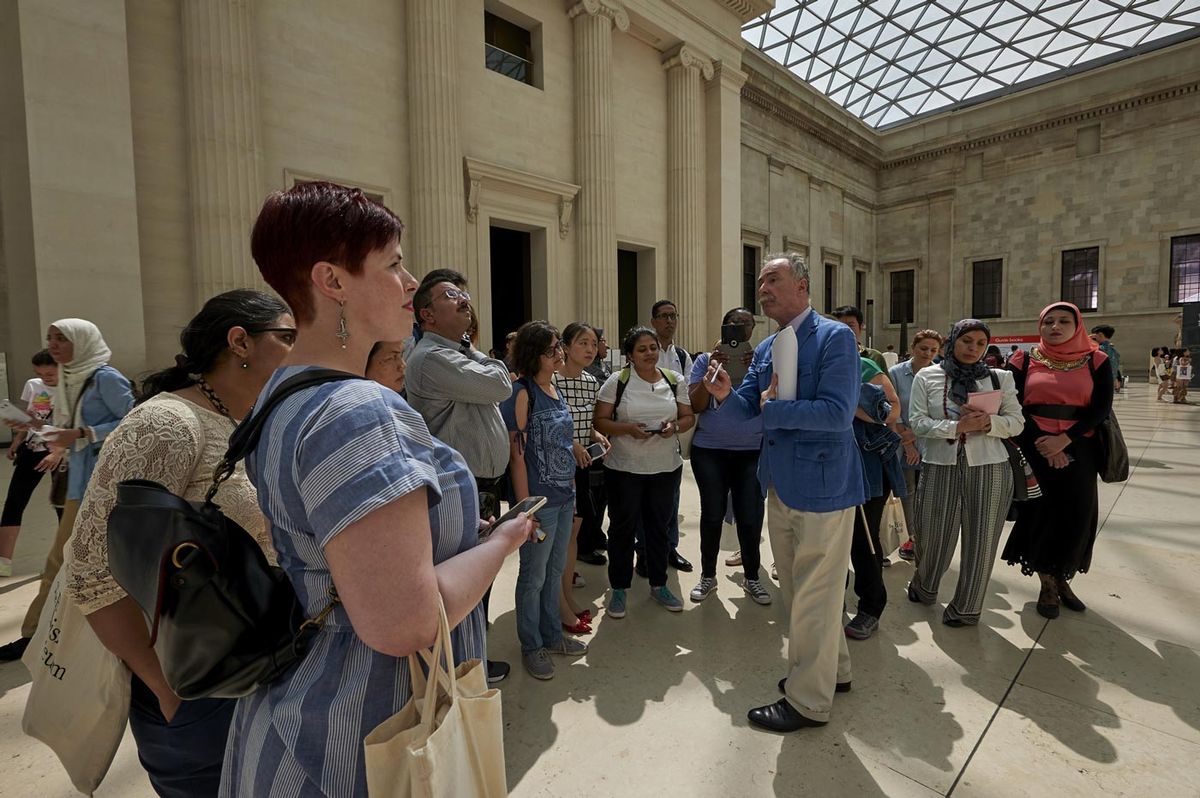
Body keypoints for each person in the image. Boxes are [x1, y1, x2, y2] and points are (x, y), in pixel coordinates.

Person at [220, 181, 534, 796]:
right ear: (332, 281)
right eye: (392, 265)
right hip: (365, 724)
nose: (409, 282)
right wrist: (504, 541)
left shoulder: (284, 391)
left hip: (303, 705)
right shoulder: (356, 410)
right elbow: (406, 624)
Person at [62, 290, 294, 796]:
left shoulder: (247, 418)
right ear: (240, 342)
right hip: (195, 687)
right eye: (287, 337)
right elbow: (91, 571)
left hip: (259, 665)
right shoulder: (165, 424)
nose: (300, 350)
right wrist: (168, 690)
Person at [703, 252, 864, 732]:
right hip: (779, 484)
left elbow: (837, 413)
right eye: (760, 282)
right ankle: (834, 671)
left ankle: (808, 701)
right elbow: (748, 409)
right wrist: (724, 394)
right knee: (802, 590)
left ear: (802, 285)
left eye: (772, 279)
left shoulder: (835, 338)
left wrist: (771, 409)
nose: (763, 289)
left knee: (815, 593)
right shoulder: (770, 346)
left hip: (824, 486)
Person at [0, 319, 134, 662]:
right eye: (50, 338)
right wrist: (30, 425)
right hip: (80, 482)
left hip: (103, 484)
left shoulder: (105, 378)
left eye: (62, 338)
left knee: (62, 561)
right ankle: (42, 634)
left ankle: (35, 635)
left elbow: (134, 421)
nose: (53, 344)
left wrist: (82, 434)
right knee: (67, 561)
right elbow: (63, 435)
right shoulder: (71, 379)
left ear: (83, 340)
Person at [405, 268, 515, 683]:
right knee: (463, 585)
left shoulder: (458, 354)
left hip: (479, 486)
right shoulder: (433, 358)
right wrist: (476, 351)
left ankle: (473, 661)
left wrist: (469, 347)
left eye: (464, 294)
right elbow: (501, 385)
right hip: (458, 491)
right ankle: (462, 672)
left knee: (478, 580)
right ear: (427, 315)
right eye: (451, 296)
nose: (464, 300)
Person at [1002, 303, 1115, 619]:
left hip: (1080, 448)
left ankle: (1063, 576)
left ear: (1077, 326)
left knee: (1075, 513)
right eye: (1048, 321)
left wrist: (1064, 440)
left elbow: (1101, 408)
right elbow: (1012, 405)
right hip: (1034, 446)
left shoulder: (1097, 360)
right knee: (1041, 514)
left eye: (1064, 321)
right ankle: (1047, 584)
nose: (1055, 326)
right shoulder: (1023, 360)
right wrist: (1047, 446)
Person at [907, 320, 1023, 626]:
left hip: (990, 466)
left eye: (980, 344)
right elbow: (917, 422)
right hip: (939, 465)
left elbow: (1017, 422)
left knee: (982, 539)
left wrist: (989, 423)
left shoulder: (999, 377)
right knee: (932, 533)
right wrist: (956, 426)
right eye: (966, 341)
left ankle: (967, 608)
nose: (973, 348)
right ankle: (925, 585)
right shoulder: (928, 376)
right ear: (952, 342)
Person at [501, 322, 589, 679]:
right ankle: (531, 644)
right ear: (534, 354)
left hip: (565, 496)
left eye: (559, 347)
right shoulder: (522, 393)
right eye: (552, 349)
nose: (559, 354)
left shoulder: (554, 388)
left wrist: (573, 485)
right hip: (541, 503)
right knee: (533, 576)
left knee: (554, 572)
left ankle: (552, 635)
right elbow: (517, 456)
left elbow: (563, 443)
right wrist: (526, 510)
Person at [594, 326, 695, 617]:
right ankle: (619, 589)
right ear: (630, 355)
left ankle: (659, 584)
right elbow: (600, 421)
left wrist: (674, 427)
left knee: (658, 528)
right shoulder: (618, 381)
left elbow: (688, 417)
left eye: (653, 347)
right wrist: (627, 429)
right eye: (642, 349)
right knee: (622, 529)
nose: (650, 353)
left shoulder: (674, 380)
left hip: (665, 467)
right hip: (624, 468)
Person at [686, 307, 770, 606]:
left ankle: (752, 576)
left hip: (751, 449)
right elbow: (695, 405)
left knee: (750, 515)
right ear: (724, 327)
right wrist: (710, 371)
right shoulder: (703, 361)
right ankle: (708, 576)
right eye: (733, 323)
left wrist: (753, 371)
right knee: (712, 513)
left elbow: (768, 399)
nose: (739, 327)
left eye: (745, 323)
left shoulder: (761, 361)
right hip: (710, 450)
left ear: (752, 329)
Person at [554, 322, 610, 577]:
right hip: (556, 465)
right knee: (558, 525)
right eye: (583, 343)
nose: (590, 349)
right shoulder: (551, 379)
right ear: (565, 347)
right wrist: (571, 443)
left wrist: (597, 435)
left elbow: (586, 423)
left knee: (577, 522)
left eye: (594, 344)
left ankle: (567, 572)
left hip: (582, 465)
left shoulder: (591, 382)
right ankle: (558, 575)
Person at [1, 350, 62, 577]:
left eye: (50, 374)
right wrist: (18, 441)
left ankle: (63, 563)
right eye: (39, 373)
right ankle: (3, 563)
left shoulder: (72, 389)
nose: (44, 378)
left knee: (62, 506)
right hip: (32, 448)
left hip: (60, 453)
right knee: (14, 501)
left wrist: (57, 453)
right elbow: (30, 415)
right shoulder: (33, 385)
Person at [887, 330, 944, 562]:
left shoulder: (940, 374)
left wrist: (918, 432)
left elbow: (941, 410)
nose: (928, 353)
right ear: (913, 348)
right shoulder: (896, 373)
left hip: (931, 441)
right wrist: (908, 442)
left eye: (933, 350)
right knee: (907, 491)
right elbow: (893, 407)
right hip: (903, 442)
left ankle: (926, 537)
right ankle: (910, 537)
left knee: (929, 492)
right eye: (923, 348)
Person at [648, 299, 693, 573]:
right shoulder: (644, 350)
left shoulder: (683, 357)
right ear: (653, 321)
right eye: (664, 316)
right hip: (642, 436)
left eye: (673, 316)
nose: (669, 321)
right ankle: (645, 551)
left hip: (672, 436)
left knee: (671, 498)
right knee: (645, 500)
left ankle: (669, 549)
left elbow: (687, 396)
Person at [1091, 325, 1122, 394]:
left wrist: (1087, 340)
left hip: (1097, 384)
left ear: (1100, 334)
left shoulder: (1098, 349)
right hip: (1109, 385)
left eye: (1094, 335)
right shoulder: (1115, 352)